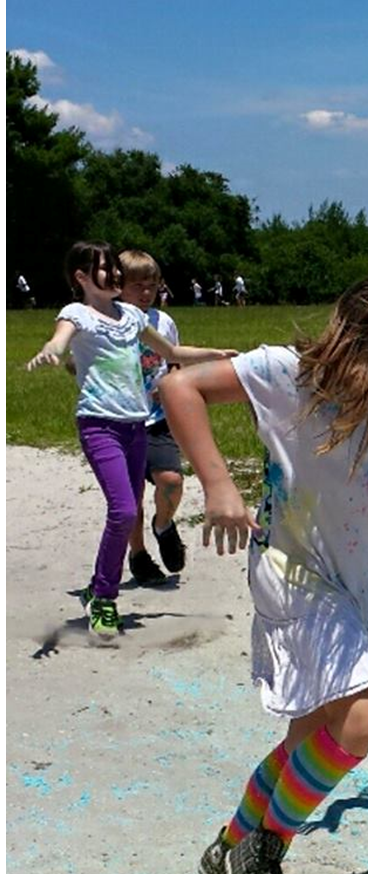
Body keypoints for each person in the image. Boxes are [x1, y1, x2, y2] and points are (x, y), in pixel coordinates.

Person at [161, 275, 368, 874]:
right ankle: (262, 851)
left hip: (351, 587)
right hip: (289, 571)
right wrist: (216, 481)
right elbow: (178, 387)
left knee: (308, 739)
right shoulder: (287, 375)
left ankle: (229, 847)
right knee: (359, 721)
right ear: (366, 351)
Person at [25, 241, 234, 638]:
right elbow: (61, 337)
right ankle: (104, 597)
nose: (115, 275)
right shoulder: (77, 314)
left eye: (115, 268)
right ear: (82, 278)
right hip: (99, 426)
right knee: (122, 510)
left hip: (136, 426)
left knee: (129, 507)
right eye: (105, 269)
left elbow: (171, 350)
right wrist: (51, 350)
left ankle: (97, 585)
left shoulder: (132, 318)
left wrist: (214, 354)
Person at [116, 251, 191, 587]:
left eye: (151, 286)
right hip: (120, 420)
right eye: (137, 286)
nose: (145, 293)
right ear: (119, 287)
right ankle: (139, 556)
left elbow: (174, 361)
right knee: (130, 498)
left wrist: (171, 385)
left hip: (158, 418)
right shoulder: (109, 321)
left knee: (172, 480)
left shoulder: (164, 322)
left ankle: (163, 525)